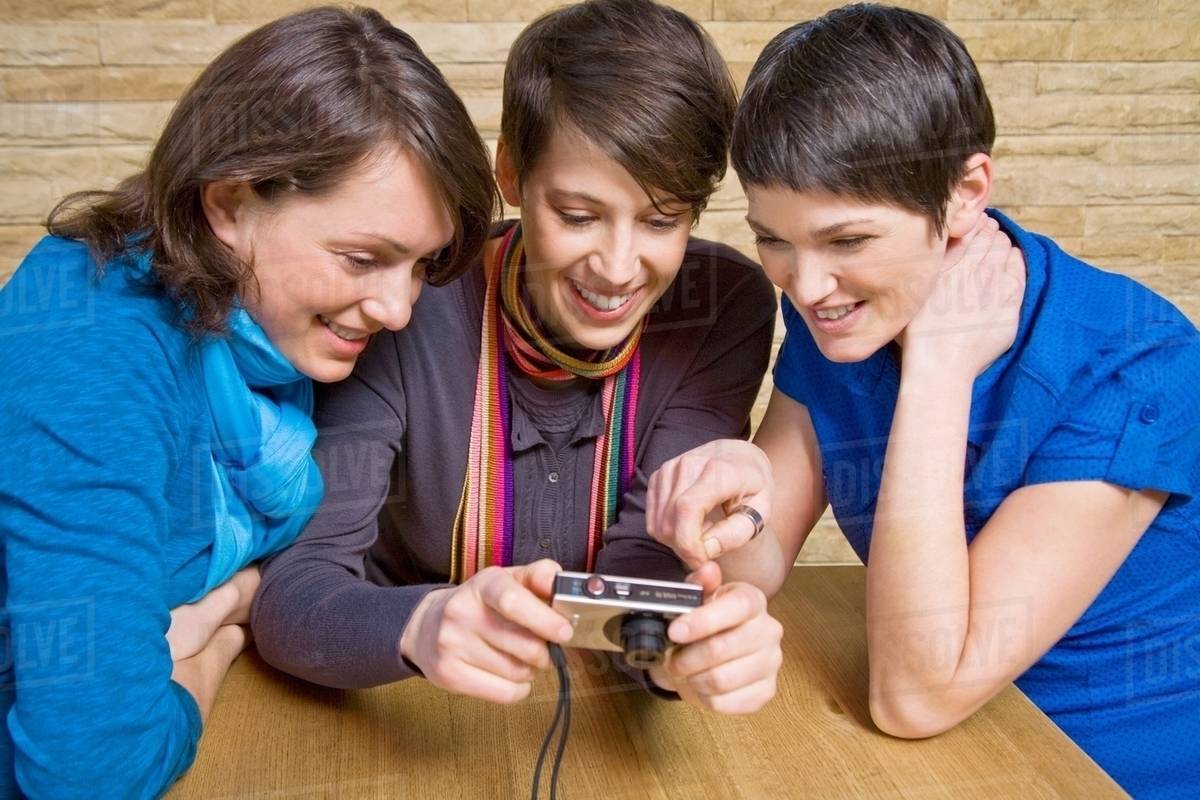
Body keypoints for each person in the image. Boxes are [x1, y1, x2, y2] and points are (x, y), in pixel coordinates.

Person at [643, 5, 1200, 797]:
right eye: (773, 239)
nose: (804, 286)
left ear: (967, 191)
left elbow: (915, 695)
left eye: (847, 241)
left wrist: (939, 365)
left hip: (1108, 768)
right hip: (956, 756)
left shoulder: (1140, 361)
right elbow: (756, 561)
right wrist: (726, 487)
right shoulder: (847, 316)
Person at [0, 7, 495, 797]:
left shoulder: (265, 332)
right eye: (364, 258)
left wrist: (200, 619)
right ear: (229, 204)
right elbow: (86, 772)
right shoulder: (89, 346)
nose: (399, 308)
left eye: (420, 265)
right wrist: (211, 644)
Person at [252, 0, 783, 715]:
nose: (620, 268)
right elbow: (296, 594)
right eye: (577, 215)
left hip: (593, 695)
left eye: (662, 220)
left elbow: (645, 565)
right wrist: (423, 624)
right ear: (511, 173)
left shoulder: (722, 307)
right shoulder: (411, 291)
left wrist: (683, 659)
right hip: (394, 691)